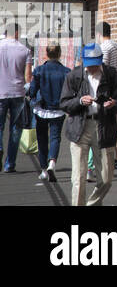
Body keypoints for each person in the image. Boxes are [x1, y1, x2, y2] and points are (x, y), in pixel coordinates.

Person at [59, 43, 117, 205]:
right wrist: (80, 101)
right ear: (83, 61)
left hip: (104, 127)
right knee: (79, 178)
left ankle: (92, 203)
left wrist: (113, 104)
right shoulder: (74, 76)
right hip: (80, 128)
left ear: (101, 60)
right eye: (89, 65)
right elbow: (64, 103)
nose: (92, 68)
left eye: (95, 64)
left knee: (106, 179)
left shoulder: (111, 75)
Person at [29, 43, 70, 182]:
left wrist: (33, 98)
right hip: (58, 110)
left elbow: (32, 90)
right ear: (59, 54)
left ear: (46, 54)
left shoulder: (39, 70)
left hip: (41, 109)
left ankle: (43, 169)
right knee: (55, 137)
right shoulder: (66, 72)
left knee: (42, 139)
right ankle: (52, 162)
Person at [0, 22, 33, 173]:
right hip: (18, 93)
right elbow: (28, 77)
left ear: (6, 33)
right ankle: (10, 163)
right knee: (15, 128)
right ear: (17, 33)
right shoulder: (25, 50)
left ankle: (0, 148)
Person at [98, 22, 117, 169]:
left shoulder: (104, 48)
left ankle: (107, 158)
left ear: (98, 34)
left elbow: (102, 70)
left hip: (109, 89)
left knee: (106, 125)